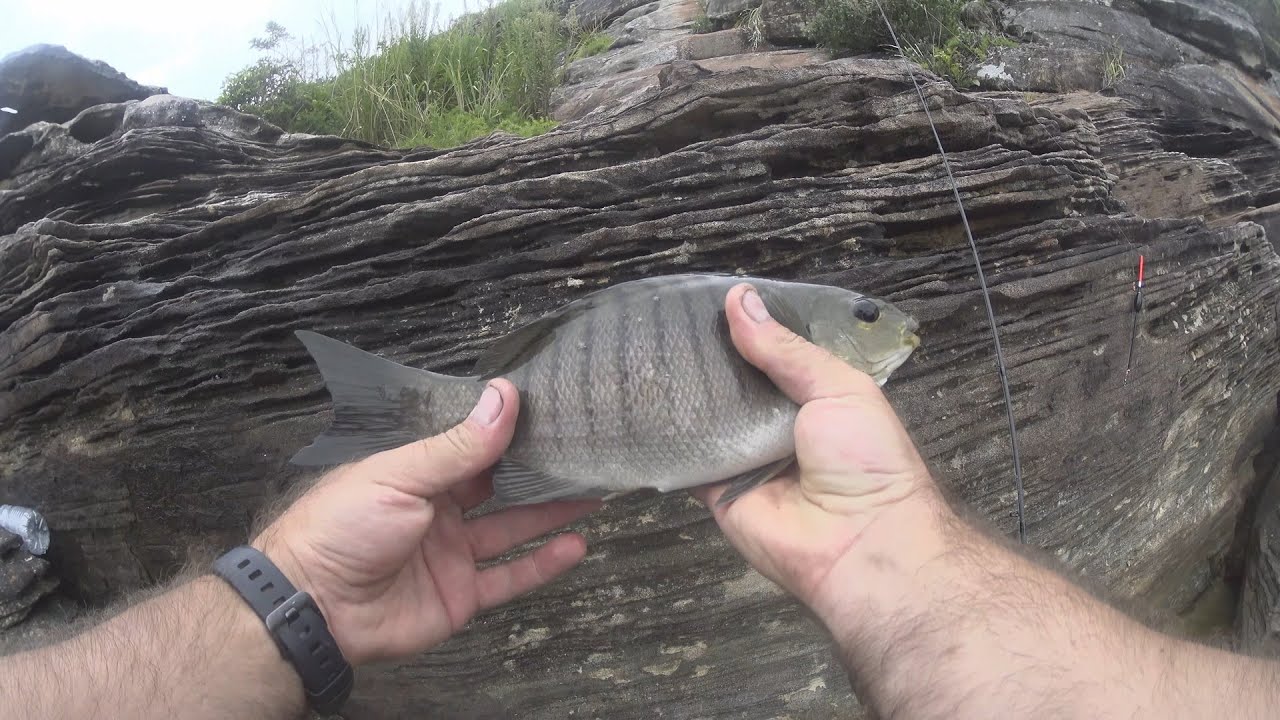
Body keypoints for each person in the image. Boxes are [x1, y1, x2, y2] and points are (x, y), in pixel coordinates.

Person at [2, 283, 1277, 719]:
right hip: (549, 417)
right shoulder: (788, 339)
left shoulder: (806, 365)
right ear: (816, 332)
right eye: (871, 324)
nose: (894, 335)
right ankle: (419, 402)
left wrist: (273, 608)